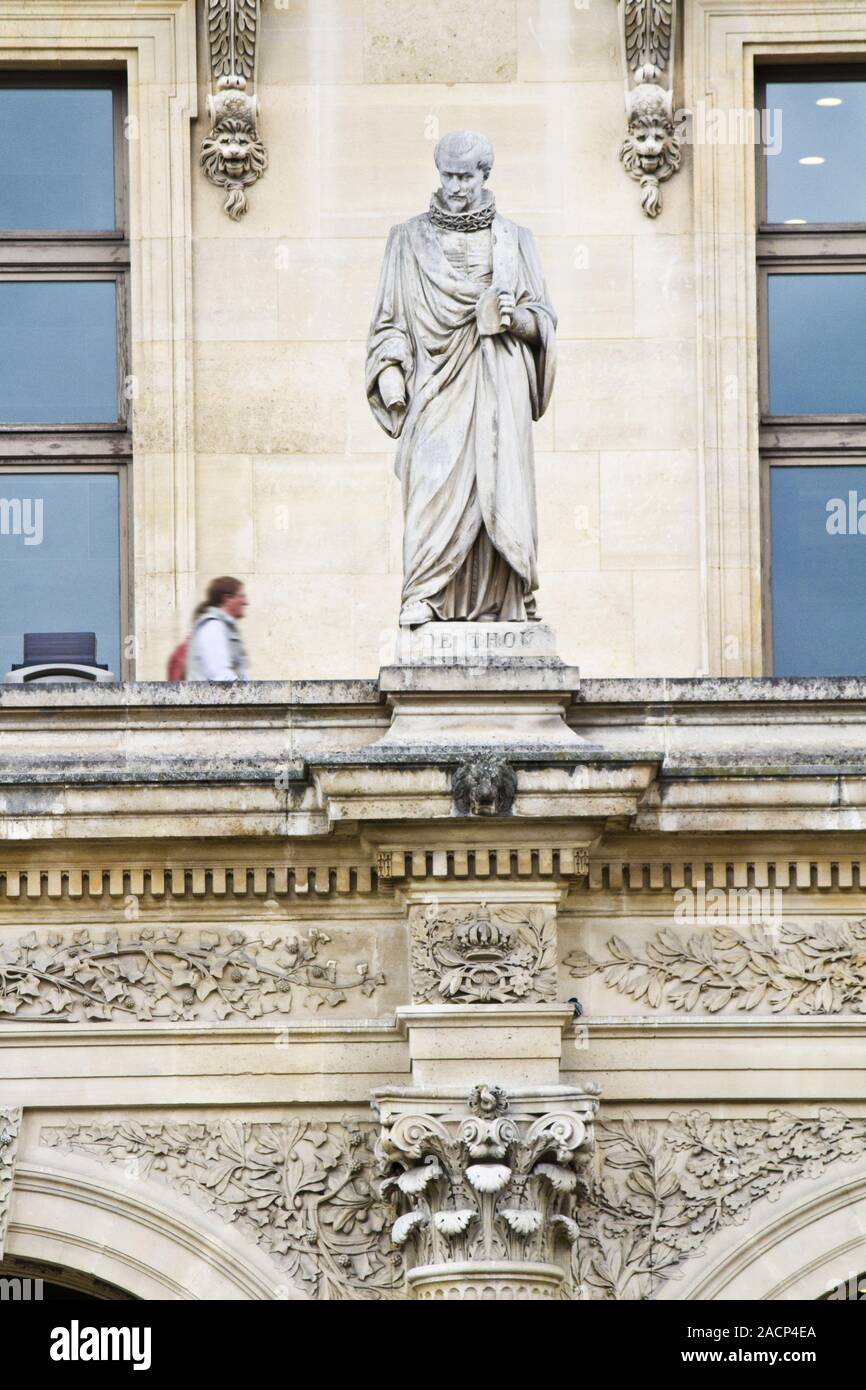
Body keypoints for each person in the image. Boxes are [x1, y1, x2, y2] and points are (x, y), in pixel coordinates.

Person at [365, 129, 556, 628]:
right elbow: (389, 322)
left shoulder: (515, 240)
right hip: (435, 384)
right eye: (448, 176)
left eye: (466, 177)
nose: (456, 187)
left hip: (499, 379)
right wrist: (389, 372)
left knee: (499, 482)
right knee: (432, 482)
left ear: (484, 175)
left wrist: (513, 318)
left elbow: (543, 321)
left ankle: (504, 598)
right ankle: (425, 591)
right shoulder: (407, 240)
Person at [184, 577, 249, 681]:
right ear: (227, 599)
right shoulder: (213, 626)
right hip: (212, 691)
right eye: (241, 596)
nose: (245, 602)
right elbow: (220, 676)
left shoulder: (224, 627)